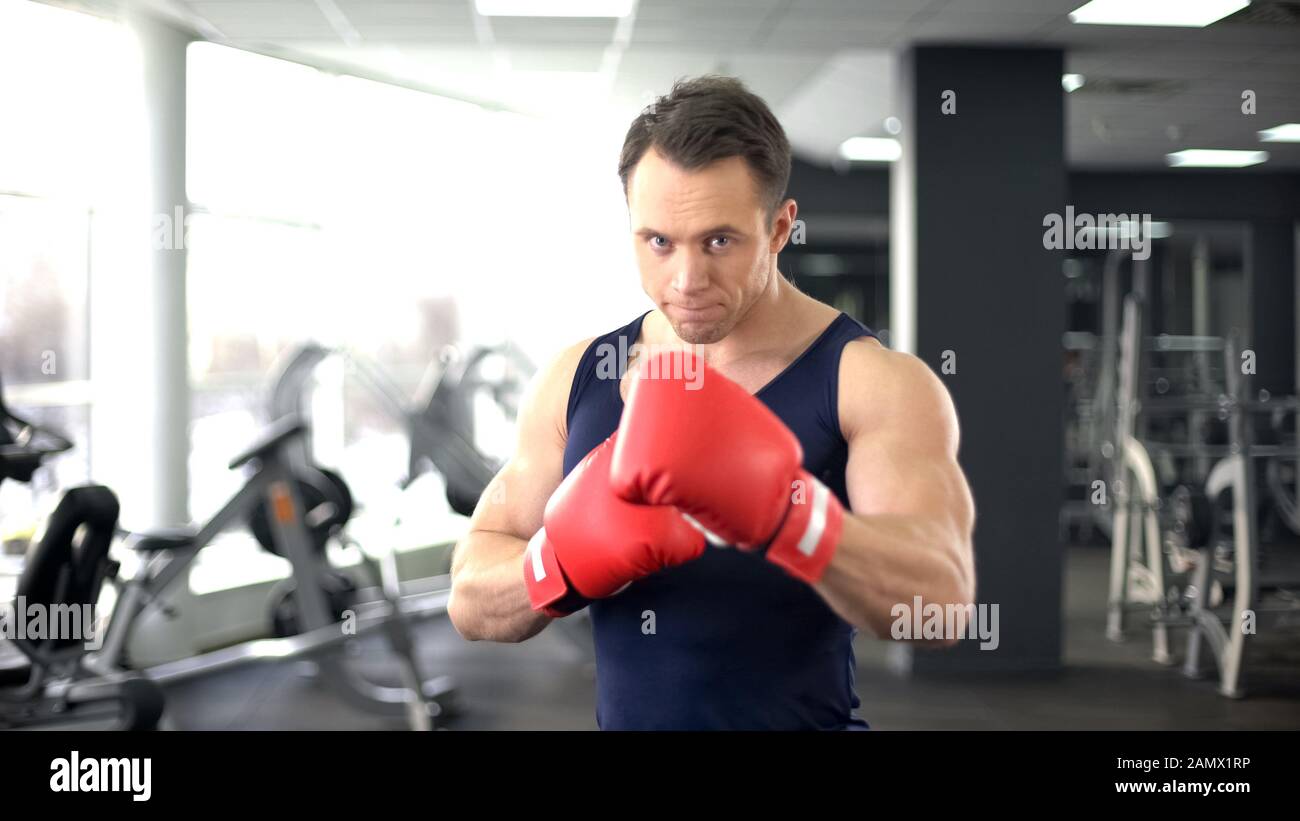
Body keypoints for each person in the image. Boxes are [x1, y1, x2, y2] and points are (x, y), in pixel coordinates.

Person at [447, 75, 976, 730]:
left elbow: (943, 605)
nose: (687, 280)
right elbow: (469, 597)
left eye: (719, 241)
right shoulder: (579, 376)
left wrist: (790, 516)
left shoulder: (869, 381)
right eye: (659, 242)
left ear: (780, 228)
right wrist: (556, 560)